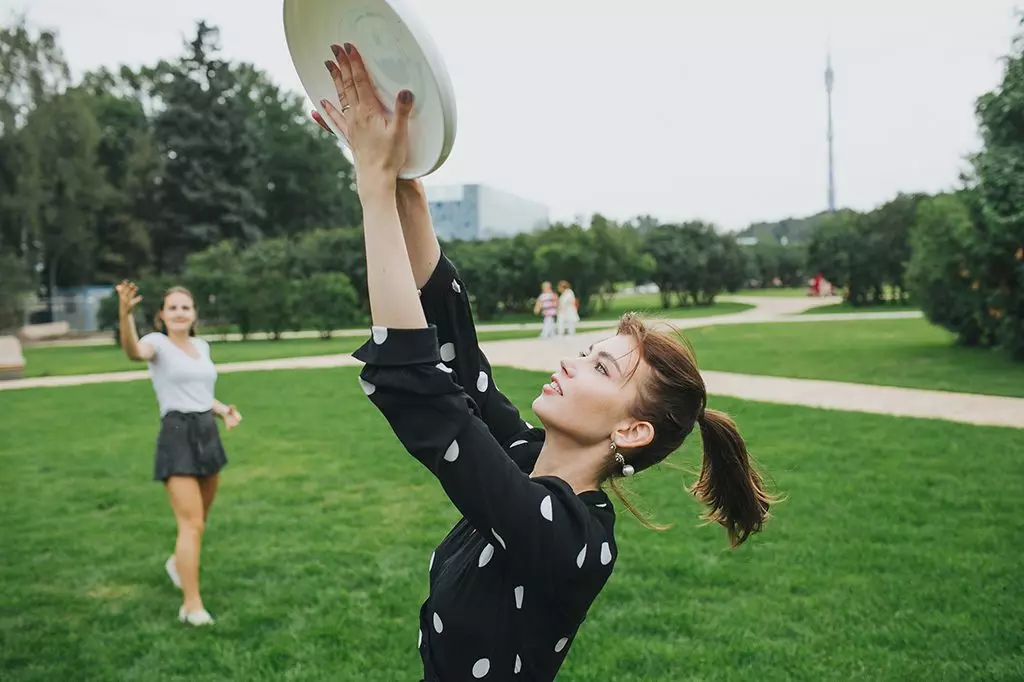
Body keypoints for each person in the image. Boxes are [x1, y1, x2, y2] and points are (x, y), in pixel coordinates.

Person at [316, 42, 774, 681]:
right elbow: (460, 366)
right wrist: (403, 185)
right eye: (589, 352)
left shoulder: (574, 541)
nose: (574, 362)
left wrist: (371, 187)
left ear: (631, 430)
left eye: (602, 368)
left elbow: (427, 401)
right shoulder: (530, 460)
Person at [115, 280, 242, 627]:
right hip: (175, 433)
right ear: (161, 315)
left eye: (185, 307)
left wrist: (222, 410)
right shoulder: (156, 344)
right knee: (191, 522)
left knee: (201, 520)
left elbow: (199, 392)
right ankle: (191, 605)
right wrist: (124, 316)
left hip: (207, 430)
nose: (179, 313)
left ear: (194, 313)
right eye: (172, 307)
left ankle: (176, 564)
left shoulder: (202, 346)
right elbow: (132, 353)